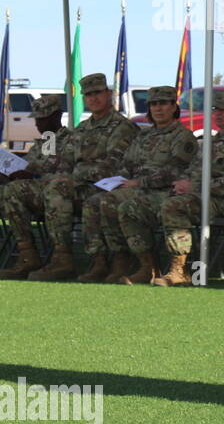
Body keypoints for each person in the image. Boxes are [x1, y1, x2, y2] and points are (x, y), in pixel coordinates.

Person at [115, 90, 224, 286]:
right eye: (216, 109)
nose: (218, 114)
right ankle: (148, 267)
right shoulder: (211, 142)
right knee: (130, 208)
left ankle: (179, 270)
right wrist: (181, 184)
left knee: (173, 206)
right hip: (193, 194)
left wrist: (195, 186)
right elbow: (191, 170)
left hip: (221, 201)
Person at [77, 85, 198, 284]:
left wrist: (138, 182)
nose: (158, 109)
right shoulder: (144, 136)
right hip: (135, 187)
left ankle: (145, 265)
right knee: (93, 202)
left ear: (173, 107)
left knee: (114, 203)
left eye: (164, 104)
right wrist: (119, 180)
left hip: (163, 190)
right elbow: (127, 164)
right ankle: (111, 261)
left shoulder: (182, 137)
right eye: (153, 105)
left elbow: (175, 171)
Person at [25, 73, 139, 281]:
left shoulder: (122, 127)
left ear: (108, 94)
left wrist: (71, 176)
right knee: (22, 190)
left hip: (107, 186)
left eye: (97, 93)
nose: (93, 98)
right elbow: (62, 162)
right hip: (78, 185)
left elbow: (114, 165)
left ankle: (73, 259)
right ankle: (32, 256)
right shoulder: (80, 129)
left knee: (58, 188)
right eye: (88, 95)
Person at [0, 95, 72, 279]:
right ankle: (26, 254)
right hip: (32, 190)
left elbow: (63, 172)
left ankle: (35, 256)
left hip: (57, 193)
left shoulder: (71, 141)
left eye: (43, 118)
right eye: (37, 118)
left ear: (57, 115)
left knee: (12, 191)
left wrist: (32, 176)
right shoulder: (47, 140)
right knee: (9, 189)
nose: (38, 123)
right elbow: (32, 166)